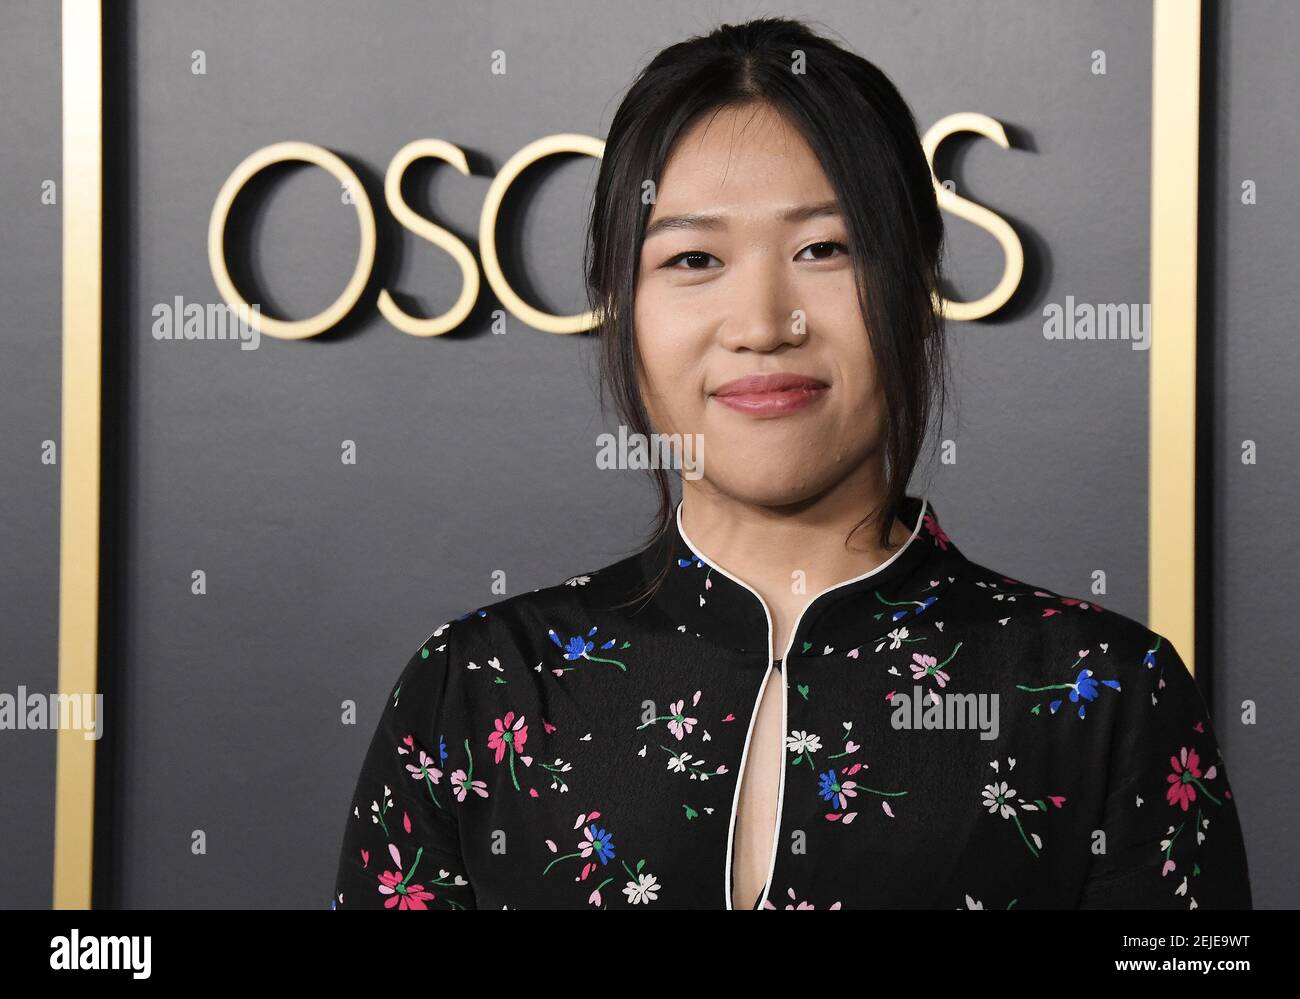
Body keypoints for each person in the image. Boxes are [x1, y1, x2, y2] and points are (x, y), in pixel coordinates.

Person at [330, 16, 1250, 910]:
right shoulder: (478, 688)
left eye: (825, 248)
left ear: (918, 282)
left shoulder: (1103, 693)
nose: (765, 322)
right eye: (693, 257)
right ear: (620, 305)